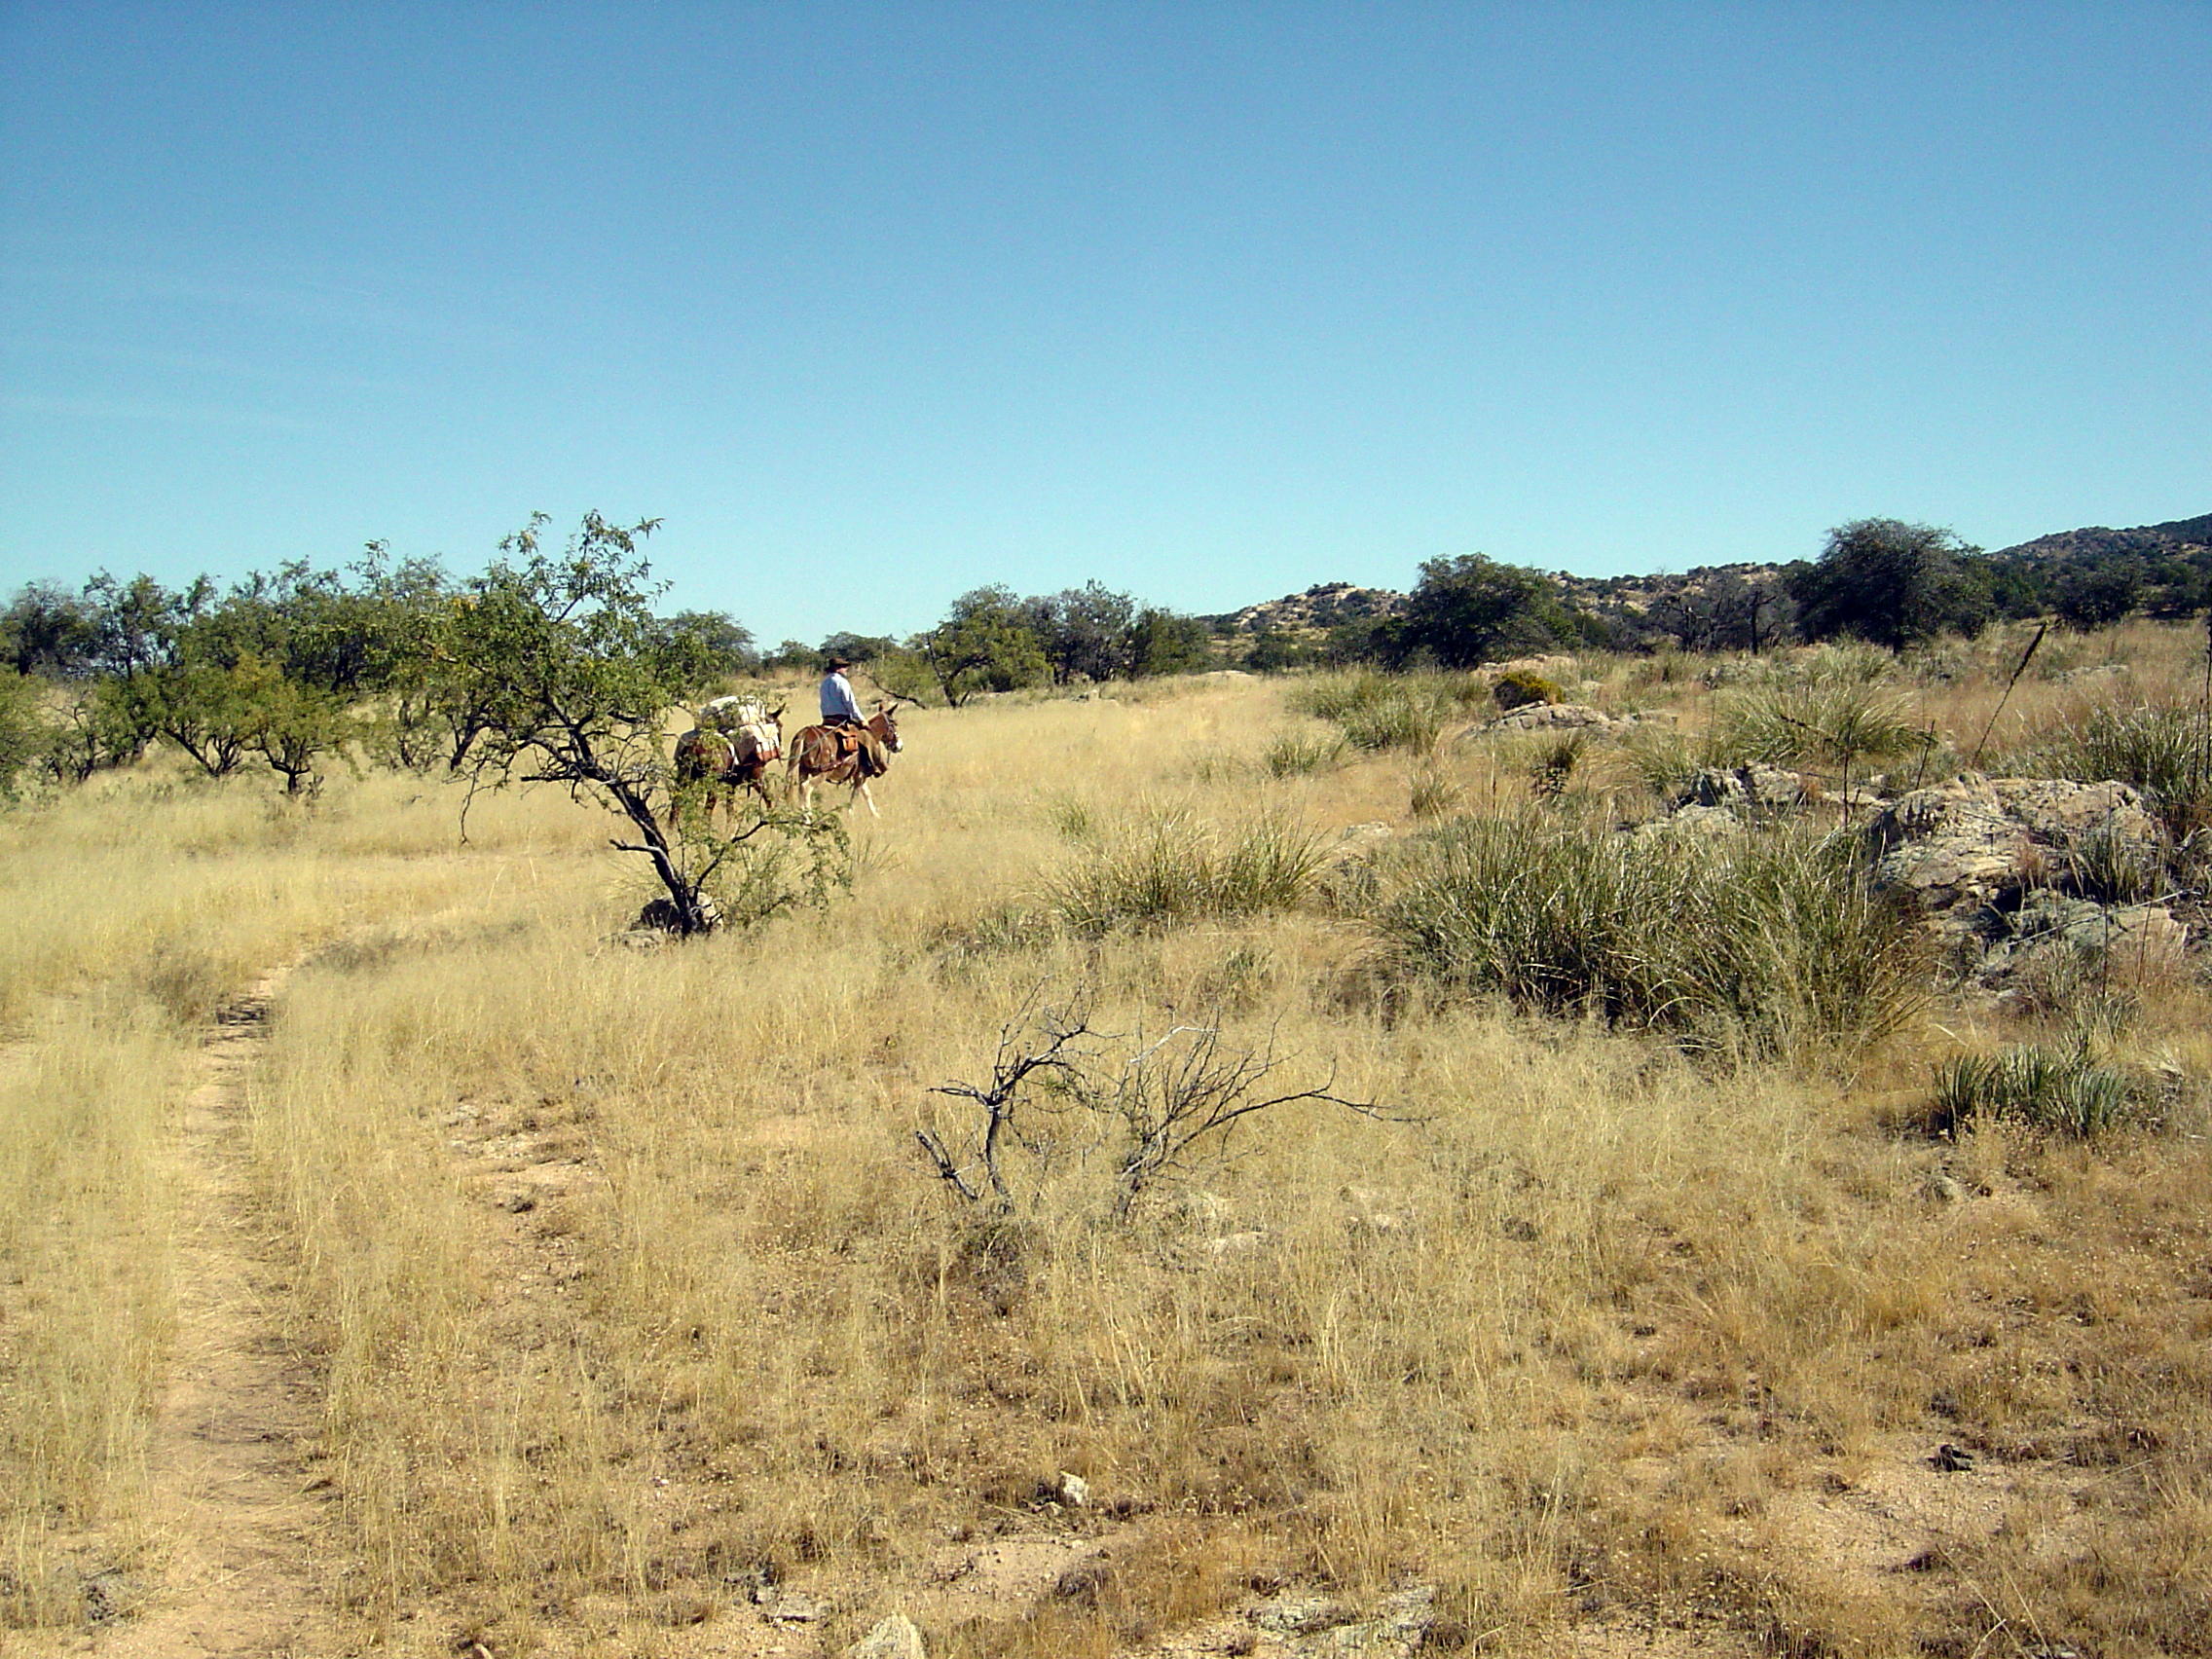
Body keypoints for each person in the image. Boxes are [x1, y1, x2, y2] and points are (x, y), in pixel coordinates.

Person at [817, 657, 884, 772]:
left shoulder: (824, 683)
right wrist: (862, 720)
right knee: (866, 738)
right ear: (838, 669)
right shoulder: (842, 682)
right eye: (844, 667)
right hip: (841, 720)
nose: (846, 669)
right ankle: (868, 767)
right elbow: (850, 704)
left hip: (827, 720)